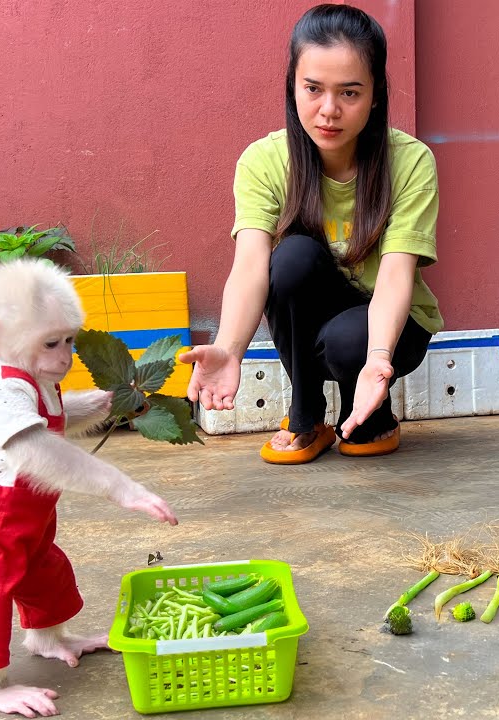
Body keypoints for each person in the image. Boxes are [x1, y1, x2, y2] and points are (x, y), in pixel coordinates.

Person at [180, 3, 443, 463]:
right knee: (292, 257)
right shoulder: (264, 161)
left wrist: (379, 358)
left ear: (377, 94)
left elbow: (397, 275)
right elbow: (250, 268)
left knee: (350, 341)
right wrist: (229, 348)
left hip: (391, 327)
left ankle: (371, 415)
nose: (329, 110)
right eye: (313, 89)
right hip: (317, 320)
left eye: (350, 93)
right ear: (292, 86)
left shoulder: (410, 161)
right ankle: (307, 415)